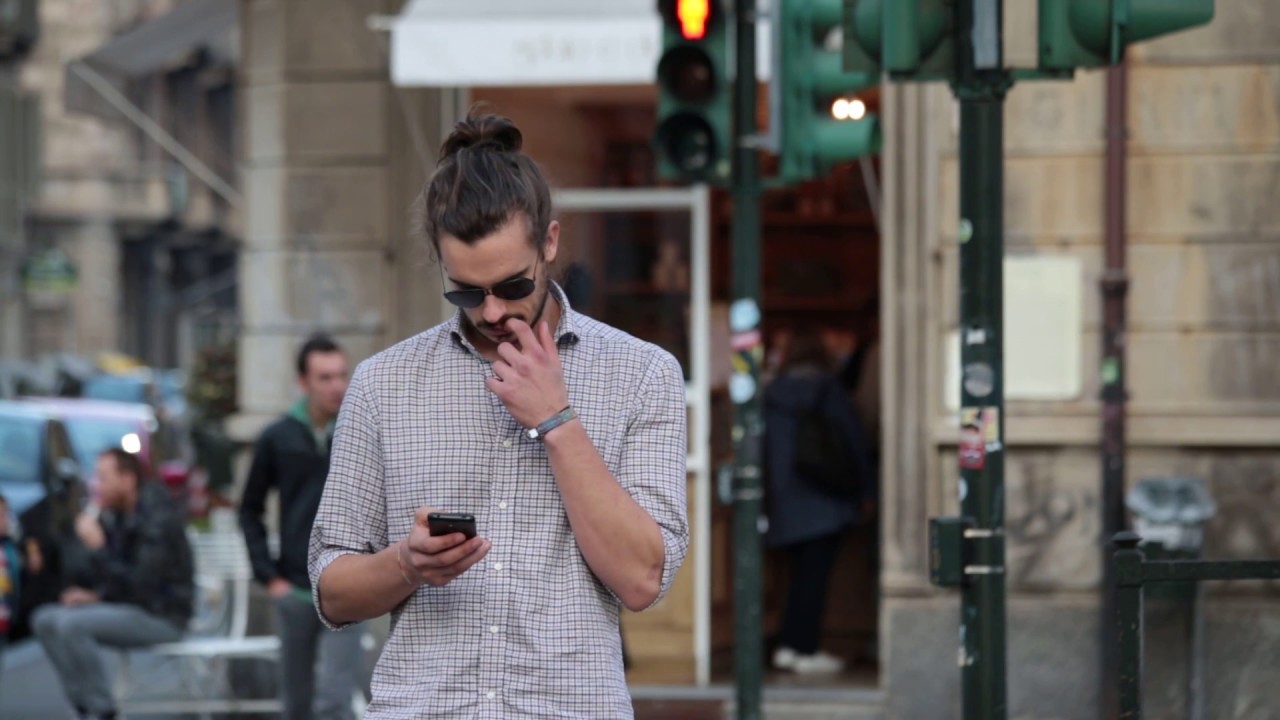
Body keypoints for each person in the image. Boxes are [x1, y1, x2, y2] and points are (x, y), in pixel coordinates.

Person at [308, 108, 690, 719]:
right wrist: (406, 564)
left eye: (512, 286)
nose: (489, 312)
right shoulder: (384, 383)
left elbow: (643, 580)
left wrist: (559, 421)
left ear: (551, 243)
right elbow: (331, 590)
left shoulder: (642, 374)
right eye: (465, 291)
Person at [239, 334, 364, 720]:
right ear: (303, 382)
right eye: (324, 377)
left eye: (342, 375)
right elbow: (249, 509)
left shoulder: (360, 431)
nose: (337, 386)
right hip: (293, 587)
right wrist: (267, 576)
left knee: (335, 700)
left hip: (350, 584)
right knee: (296, 701)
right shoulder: (278, 437)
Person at [33, 448, 193, 720]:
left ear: (128, 479)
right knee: (45, 619)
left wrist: (99, 549)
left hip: (163, 616)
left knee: (72, 625)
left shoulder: (158, 518)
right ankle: (82, 705)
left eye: (103, 478)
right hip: (131, 606)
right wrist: (93, 590)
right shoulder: (118, 514)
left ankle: (102, 710)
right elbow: (110, 580)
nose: (97, 485)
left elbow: (143, 585)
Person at [764, 328, 874, 675]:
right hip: (824, 499)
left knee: (795, 579)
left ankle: (790, 645)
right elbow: (853, 442)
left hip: (784, 499)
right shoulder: (829, 389)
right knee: (813, 579)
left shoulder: (771, 394)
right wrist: (866, 491)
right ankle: (802, 648)